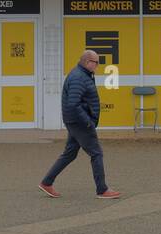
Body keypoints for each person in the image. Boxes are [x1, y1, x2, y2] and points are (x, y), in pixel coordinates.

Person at [39, 50, 121, 199]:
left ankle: (46, 182)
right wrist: (88, 122)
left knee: (69, 154)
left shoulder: (83, 75)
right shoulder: (78, 77)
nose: (98, 66)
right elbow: (73, 104)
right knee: (96, 153)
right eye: (96, 62)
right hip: (79, 123)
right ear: (87, 62)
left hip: (75, 121)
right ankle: (102, 190)